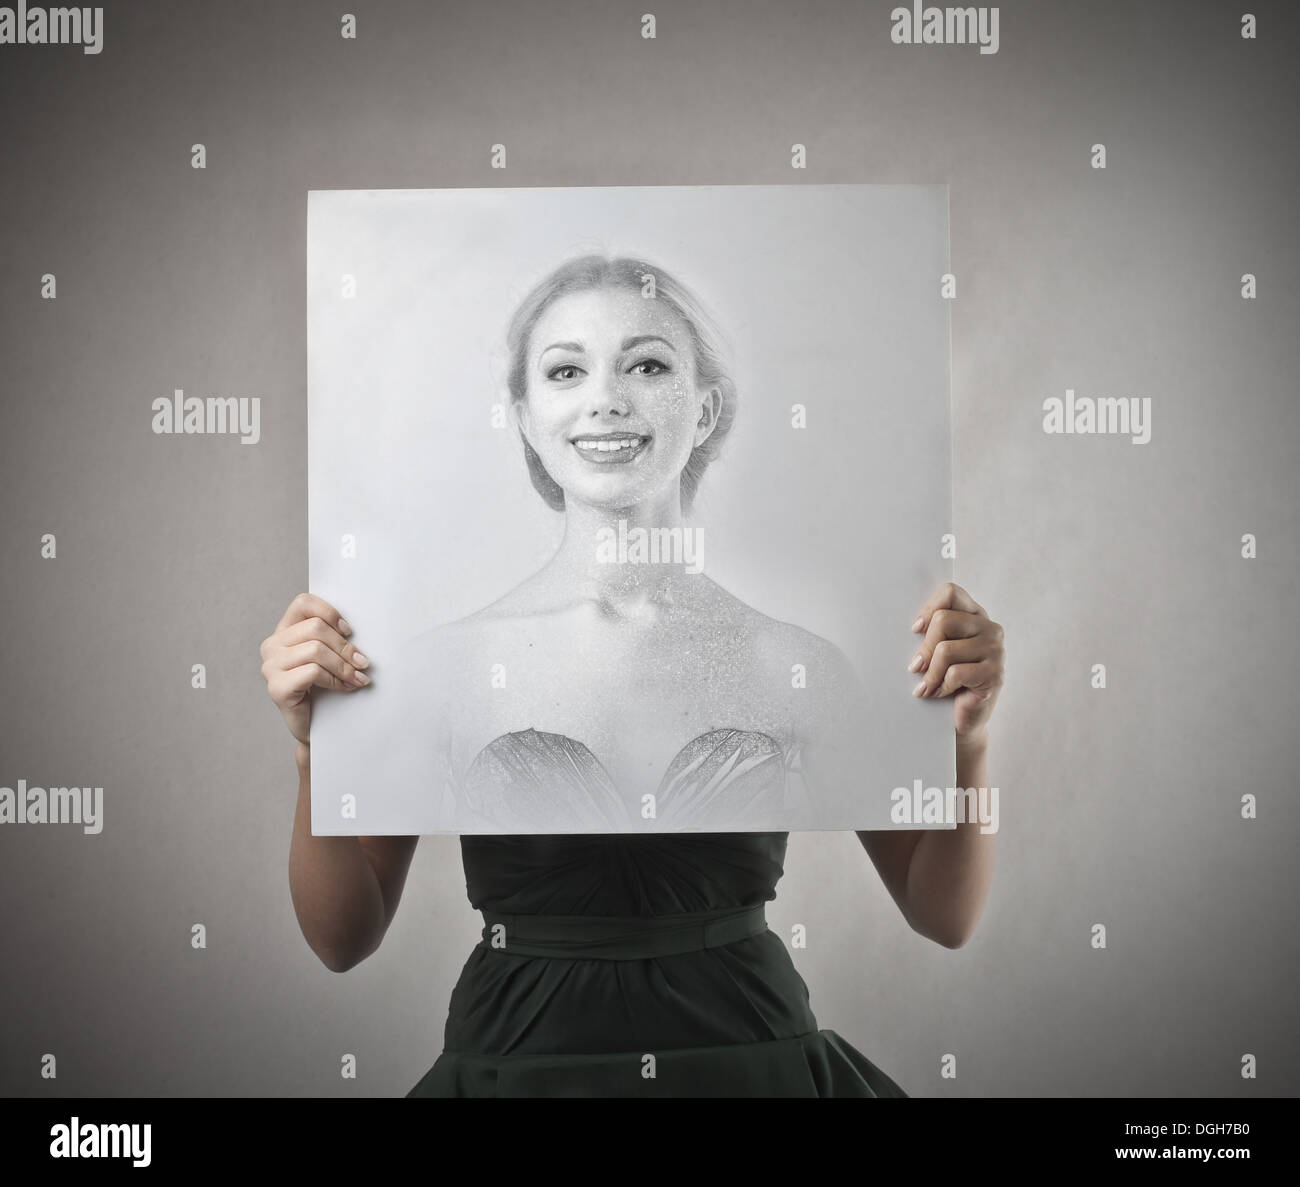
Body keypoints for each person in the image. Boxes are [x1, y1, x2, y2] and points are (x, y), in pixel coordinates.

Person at [259, 255, 1004, 1096]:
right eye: (566, 370)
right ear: (526, 417)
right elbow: (342, 937)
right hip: (516, 1068)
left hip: (752, 1069)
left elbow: (943, 915)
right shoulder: (441, 665)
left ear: (707, 407)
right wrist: (315, 753)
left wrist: (969, 743)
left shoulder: (794, 662)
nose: (606, 398)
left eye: (646, 364)